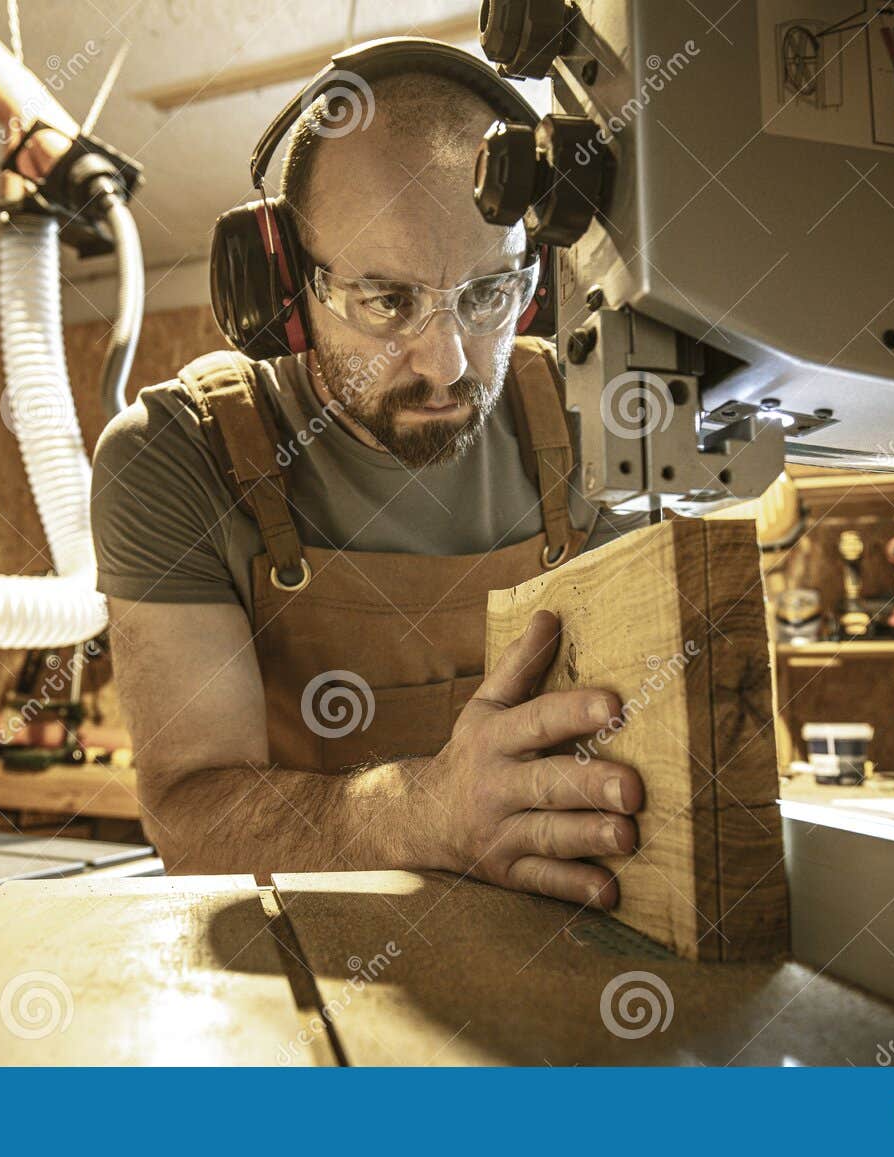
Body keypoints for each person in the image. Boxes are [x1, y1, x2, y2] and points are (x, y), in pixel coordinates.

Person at [90, 59, 646, 908]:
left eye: (490, 292)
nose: (449, 363)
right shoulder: (178, 456)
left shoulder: (588, 418)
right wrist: (427, 812)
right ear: (282, 287)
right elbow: (191, 821)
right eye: (386, 301)